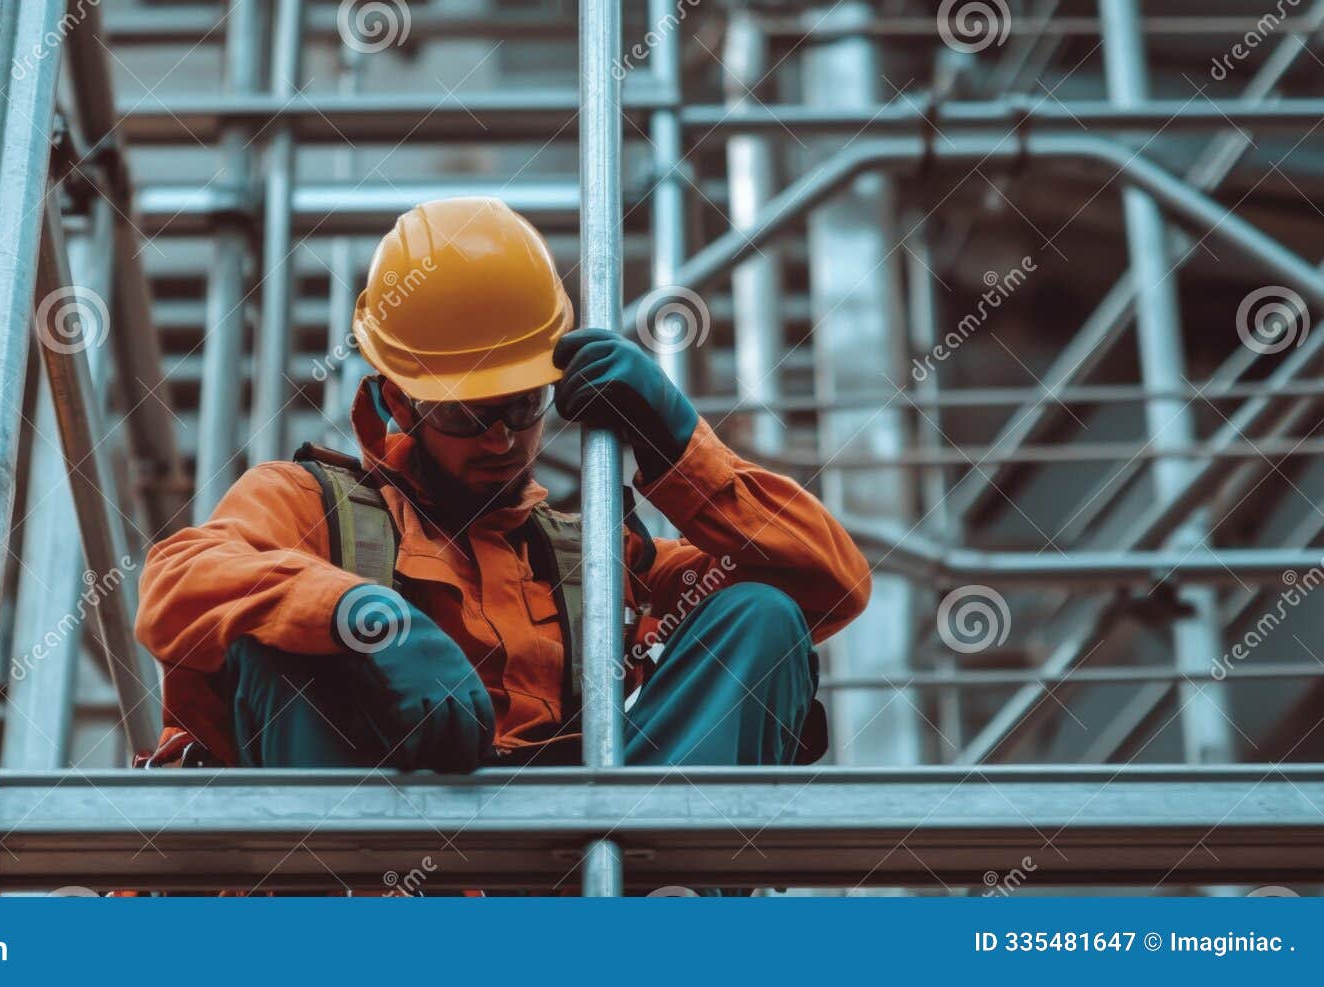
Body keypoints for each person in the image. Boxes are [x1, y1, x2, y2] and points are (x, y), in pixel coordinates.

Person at [134, 196, 871, 774]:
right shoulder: (311, 506)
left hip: (570, 881)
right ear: (396, 399)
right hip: (379, 865)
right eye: (465, 412)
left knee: (757, 614)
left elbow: (824, 588)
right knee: (275, 640)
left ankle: (660, 911)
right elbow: (177, 582)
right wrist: (361, 615)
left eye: (523, 406)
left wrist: (678, 446)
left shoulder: (595, 559)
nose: (502, 439)